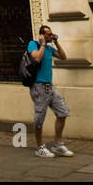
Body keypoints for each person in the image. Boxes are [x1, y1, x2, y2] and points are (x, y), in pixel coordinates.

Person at [27, 24, 73, 158]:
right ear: (41, 35)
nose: (50, 36)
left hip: (50, 87)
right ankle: (40, 147)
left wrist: (56, 42)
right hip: (38, 87)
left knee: (63, 112)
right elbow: (36, 58)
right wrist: (42, 43)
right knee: (39, 119)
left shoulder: (49, 48)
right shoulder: (33, 44)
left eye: (51, 34)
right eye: (48, 34)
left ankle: (57, 144)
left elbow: (63, 57)